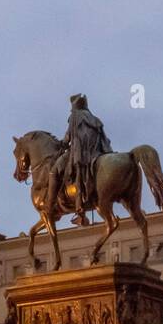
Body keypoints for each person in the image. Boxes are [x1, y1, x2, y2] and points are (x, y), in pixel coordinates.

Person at [62, 93, 111, 225]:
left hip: (82, 153)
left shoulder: (75, 117)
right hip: (97, 151)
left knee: (74, 174)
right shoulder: (94, 119)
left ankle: (79, 206)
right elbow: (103, 137)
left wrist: (62, 144)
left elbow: (68, 137)